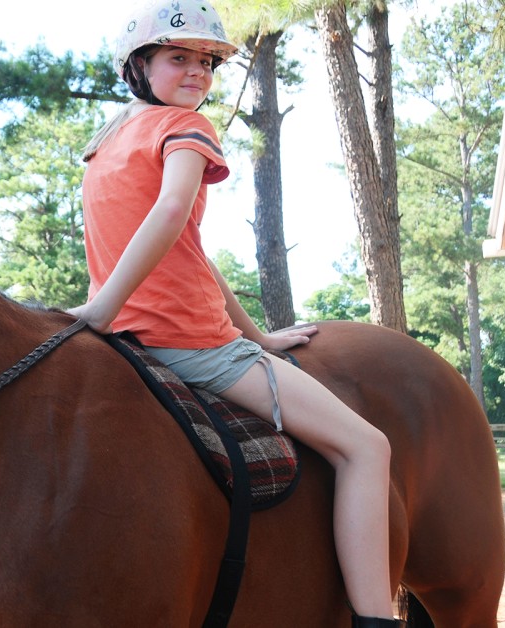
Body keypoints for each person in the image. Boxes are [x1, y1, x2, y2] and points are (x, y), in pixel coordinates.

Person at [66, 1, 400, 626]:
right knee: (367, 446)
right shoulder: (186, 127)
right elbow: (170, 213)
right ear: (139, 65)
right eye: (179, 57)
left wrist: (258, 337)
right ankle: (377, 619)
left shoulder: (105, 143)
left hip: (128, 341)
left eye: (207, 62)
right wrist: (102, 308)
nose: (197, 72)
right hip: (189, 344)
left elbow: (185, 247)